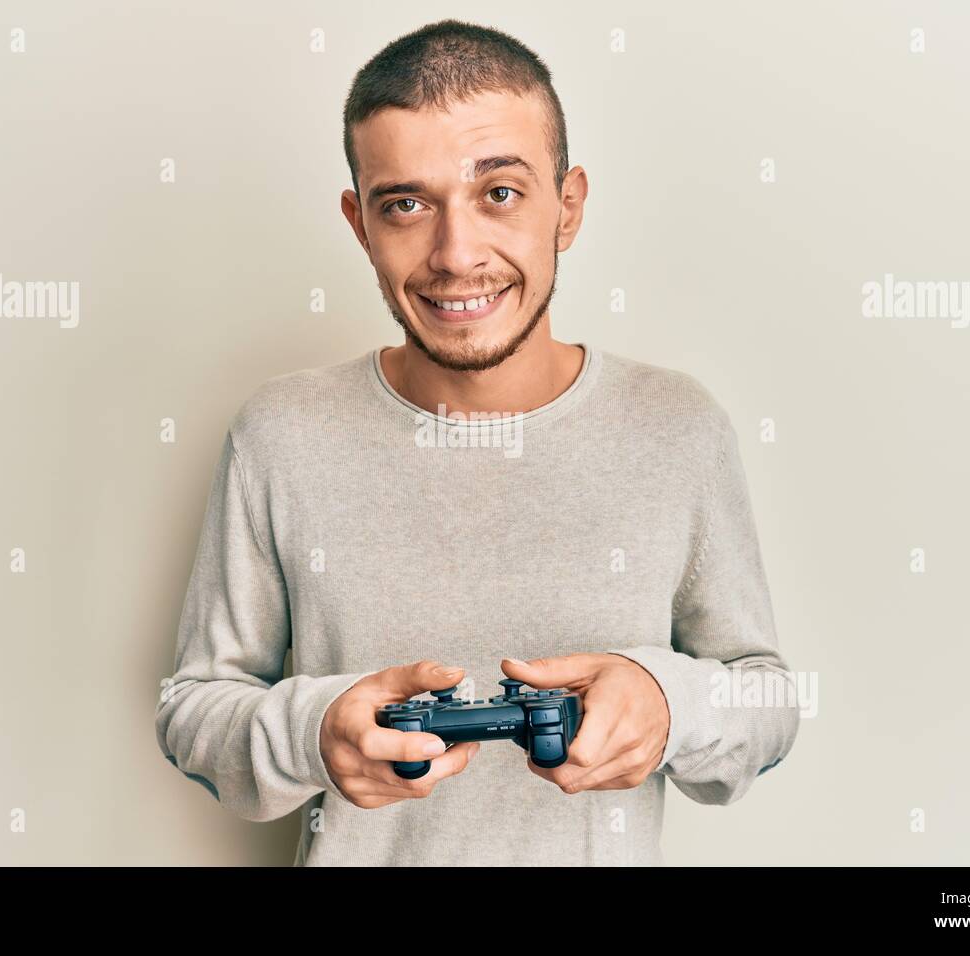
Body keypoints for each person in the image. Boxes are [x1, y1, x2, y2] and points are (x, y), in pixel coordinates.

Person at [155, 18, 799, 866]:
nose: (456, 256)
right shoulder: (279, 432)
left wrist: (668, 701)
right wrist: (314, 730)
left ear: (566, 208)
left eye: (499, 193)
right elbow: (193, 706)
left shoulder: (679, 427)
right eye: (407, 205)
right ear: (359, 225)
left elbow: (771, 702)